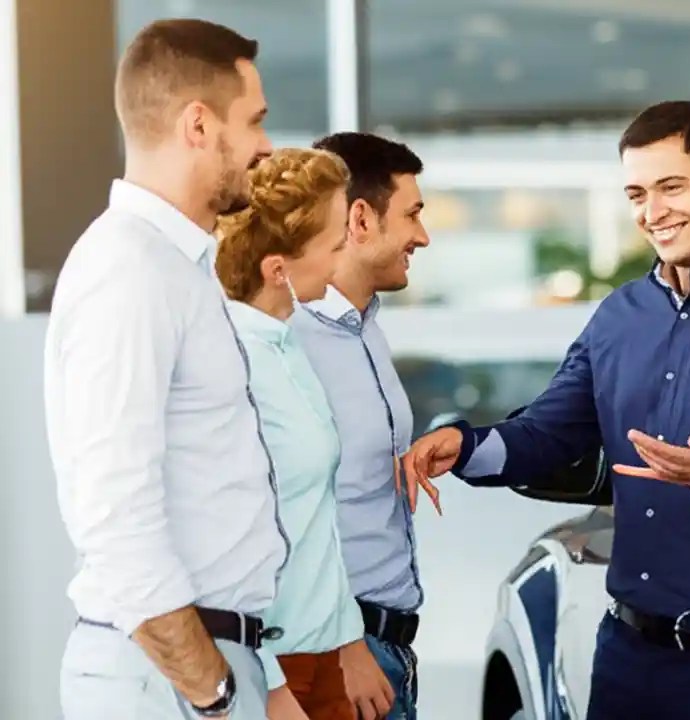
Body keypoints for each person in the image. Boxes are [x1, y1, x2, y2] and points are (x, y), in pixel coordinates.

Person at [401, 100, 690, 719]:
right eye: (637, 194)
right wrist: (467, 447)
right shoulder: (619, 317)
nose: (652, 211)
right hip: (624, 652)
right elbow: (549, 432)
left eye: (672, 187)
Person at [45, 18, 285, 720]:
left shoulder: (175, 265)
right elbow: (115, 515)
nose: (267, 146)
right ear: (199, 125)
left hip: (193, 670)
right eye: (254, 120)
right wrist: (212, 693)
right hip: (170, 680)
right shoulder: (131, 269)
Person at [214, 147, 367, 720]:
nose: (344, 257)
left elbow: (311, 519)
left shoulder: (287, 343)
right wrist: (272, 682)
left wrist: (348, 638)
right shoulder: (232, 363)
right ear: (278, 270)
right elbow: (225, 540)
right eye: (334, 245)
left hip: (323, 653)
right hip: (273, 665)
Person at [289, 131, 436, 720]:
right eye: (412, 214)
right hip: (341, 653)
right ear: (360, 219)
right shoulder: (290, 339)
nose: (423, 236)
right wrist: (345, 642)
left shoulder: (365, 324)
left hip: (387, 646)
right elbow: (289, 511)